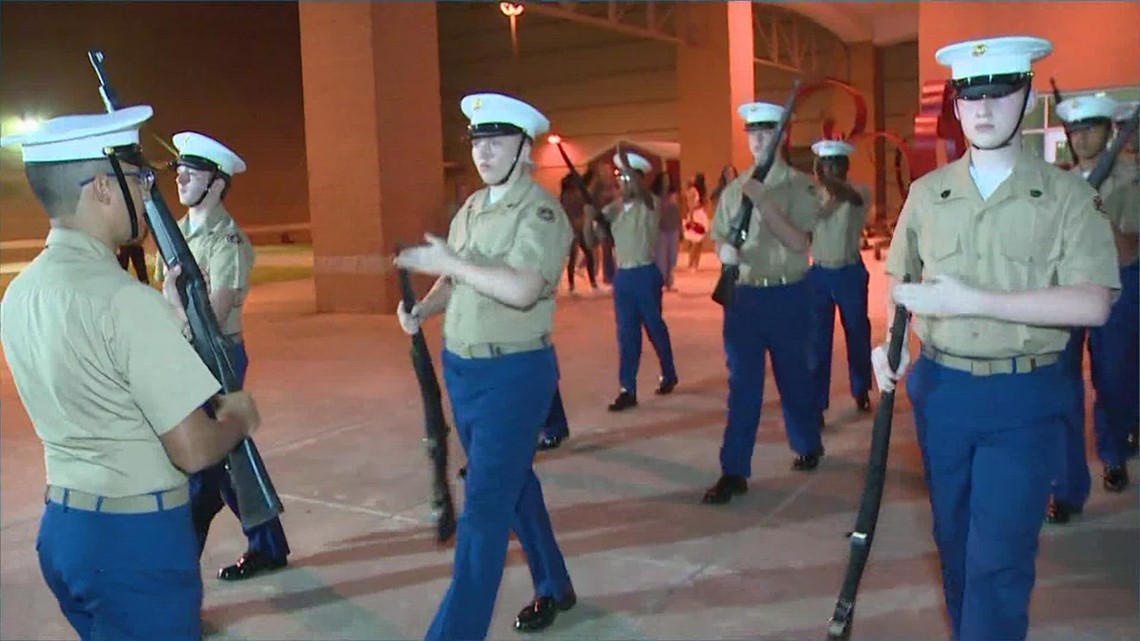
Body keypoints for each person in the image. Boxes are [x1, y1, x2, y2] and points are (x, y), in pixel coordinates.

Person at [875, 36, 1119, 641]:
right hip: (941, 391)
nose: (983, 110)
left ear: (1027, 96)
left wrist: (973, 302)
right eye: (970, 96)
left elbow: (1095, 302)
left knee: (998, 561)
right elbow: (900, 278)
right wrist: (891, 343)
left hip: (1024, 396)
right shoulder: (928, 195)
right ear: (956, 107)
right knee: (953, 545)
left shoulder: (1066, 196)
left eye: (1000, 92)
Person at [0, 106, 261, 641]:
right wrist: (238, 417)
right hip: (134, 539)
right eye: (139, 180)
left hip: (65, 531)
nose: (148, 193)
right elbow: (192, 448)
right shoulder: (126, 300)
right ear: (100, 188)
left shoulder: (20, 292)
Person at [395, 92, 576, 640]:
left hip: (514, 375)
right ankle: (555, 585)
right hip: (464, 371)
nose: (484, 151)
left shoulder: (540, 212)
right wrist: (423, 308)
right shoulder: (473, 207)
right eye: (477, 141)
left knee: (484, 510)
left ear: (525, 148)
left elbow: (522, 289)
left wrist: (452, 262)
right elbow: (458, 278)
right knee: (513, 483)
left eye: (497, 141)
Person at [153, 132, 291, 580]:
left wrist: (174, 303)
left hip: (219, 357)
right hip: (185, 357)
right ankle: (268, 545)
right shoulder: (175, 234)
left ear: (217, 184)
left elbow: (213, 315)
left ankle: (176, 573)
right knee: (229, 461)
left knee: (203, 470)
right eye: (179, 170)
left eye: (193, 172)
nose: (182, 177)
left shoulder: (225, 241)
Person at [701, 100, 824, 505]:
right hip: (745, 296)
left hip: (789, 293)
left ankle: (806, 442)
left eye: (766, 131)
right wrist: (723, 252)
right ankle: (733, 469)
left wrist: (764, 201)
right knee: (742, 387)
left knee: (794, 378)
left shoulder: (801, 185)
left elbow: (799, 242)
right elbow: (719, 234)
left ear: (782, 136)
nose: (757, 139)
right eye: (752, 132)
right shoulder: (734, 190)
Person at [1046, 93, 1138, 523]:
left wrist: (1096, 211)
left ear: (1110, 130)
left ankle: (1114, 450)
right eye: (1076, 130)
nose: (1082, 137)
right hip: (1065, 290)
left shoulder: (1132, 179)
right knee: (1062, 388)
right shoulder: (1055, 183)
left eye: (1092, 127)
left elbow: (1130, 247)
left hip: (1118, 285)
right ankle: (1067, 489)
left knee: (1115, 379)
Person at [588, 150, 679, 412]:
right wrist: (591, 215)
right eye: (621, 178)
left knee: (654, 328)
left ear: (638, 180)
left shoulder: (649, 203)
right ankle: (627, 389)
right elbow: (593, 238)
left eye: (628, 178)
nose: (623, 183)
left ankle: (668, 372)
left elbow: (643, 194)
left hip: (645, 272)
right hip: (624, 277)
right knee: (627, 335)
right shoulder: (612, 209)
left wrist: (625, 163)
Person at [806, 139, 874, 420]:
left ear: (845, 165)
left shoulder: (859, 190)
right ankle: (816, 402)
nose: (831, 167)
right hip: (819, 272)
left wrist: (827, 185)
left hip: (849, 271)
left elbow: (852, 199)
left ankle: (861, 388)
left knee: (857, 332)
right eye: (826, 163)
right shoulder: (810, 194)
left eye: (836, 162)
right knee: (817, 340)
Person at [652, 171, 681, 289]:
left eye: (668, 180)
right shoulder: (654, 197)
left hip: (673, 229)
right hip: (661, 230)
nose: (666, 183)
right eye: (664, 180)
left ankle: (669, 279)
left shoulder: (673, 196)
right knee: (661, 257)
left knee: (672, 256)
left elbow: (678, 212)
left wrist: (681, 228)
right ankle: (661, 280)